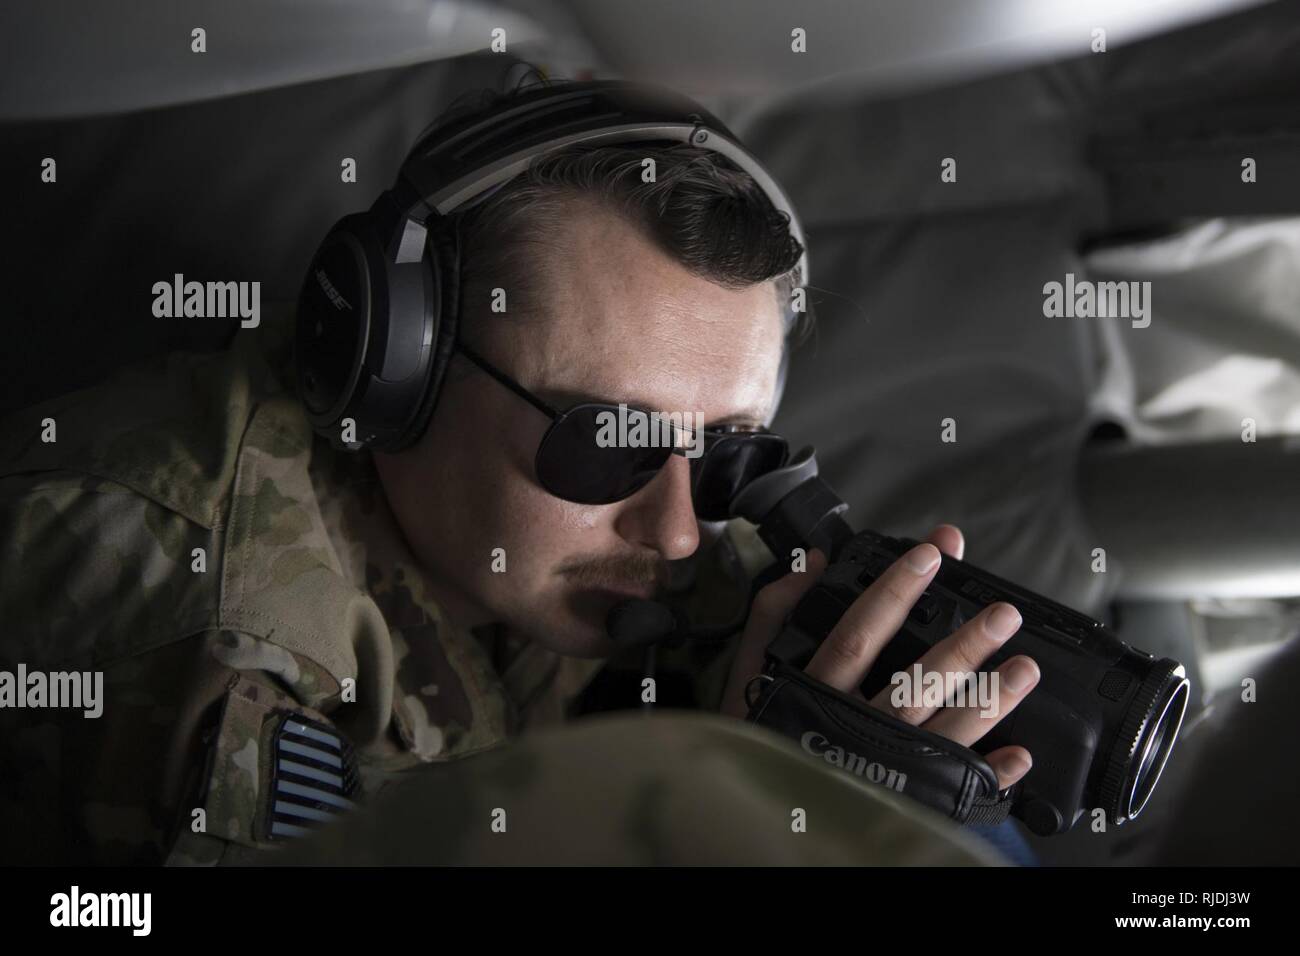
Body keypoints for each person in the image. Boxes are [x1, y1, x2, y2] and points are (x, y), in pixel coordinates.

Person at [0, 75, 1039, 865]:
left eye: (729, 450)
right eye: (606, 442)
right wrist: (727, 810)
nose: (678, 530)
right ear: (395, 368)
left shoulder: (618, 540)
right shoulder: (201, 610)